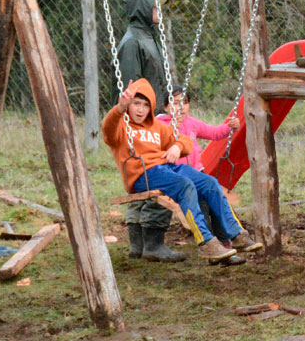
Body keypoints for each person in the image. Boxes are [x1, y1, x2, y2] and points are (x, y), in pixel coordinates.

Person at [103, 79, 253, 264]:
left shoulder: (157, 127)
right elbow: (108, 129)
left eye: (145, 105)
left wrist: (177, 147)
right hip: (143, 173)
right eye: (136, 104)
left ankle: (236, 234)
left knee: (210, 183)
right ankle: (206, 241)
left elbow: (184, 140)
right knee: (184, 185)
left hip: (167, 168)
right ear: (128, 105)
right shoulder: (121, 126)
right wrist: (119, 108)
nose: (141, 110)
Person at [160, 90, 262, 262]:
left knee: (217, 200)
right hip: (176, 175)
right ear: (165, 107)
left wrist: (229, 128)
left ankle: (229, 245)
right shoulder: (160, 125)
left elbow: (213, 133)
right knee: (201, 208)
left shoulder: (192, 123)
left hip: (197, 173)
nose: (180, 107)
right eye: (175, 102)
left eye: (184, 102)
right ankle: (211, 250)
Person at [116, 0, 175, 261]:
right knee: (153, 173)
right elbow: (133, 90)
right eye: (155, 7)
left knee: (148, 173)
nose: (159, 13)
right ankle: (149, 243)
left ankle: (141, 245)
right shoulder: (132, 42)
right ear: (142, 9)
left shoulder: (149, 37)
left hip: (153, 115)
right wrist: (142, 123)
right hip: (140, 119)